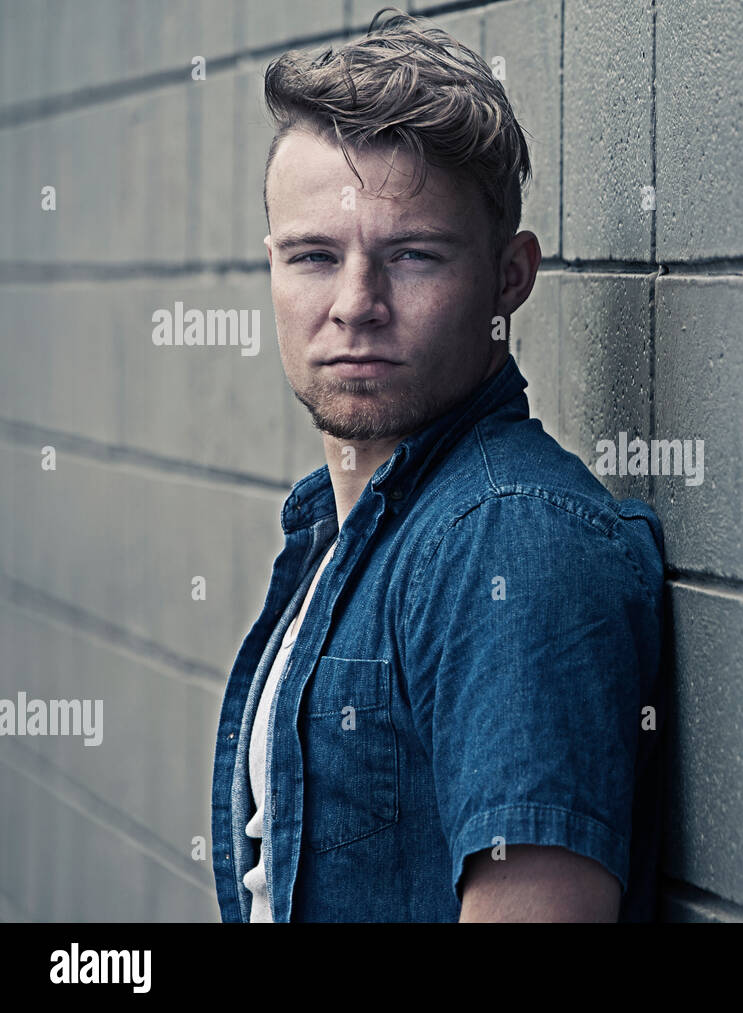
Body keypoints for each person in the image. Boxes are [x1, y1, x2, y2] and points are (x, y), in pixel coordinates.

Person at [209, 7, 666, 923]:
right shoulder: (350, 531)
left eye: (412, 256)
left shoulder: (510, 539)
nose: (355, 304)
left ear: (510, 276)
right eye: (313, 256)